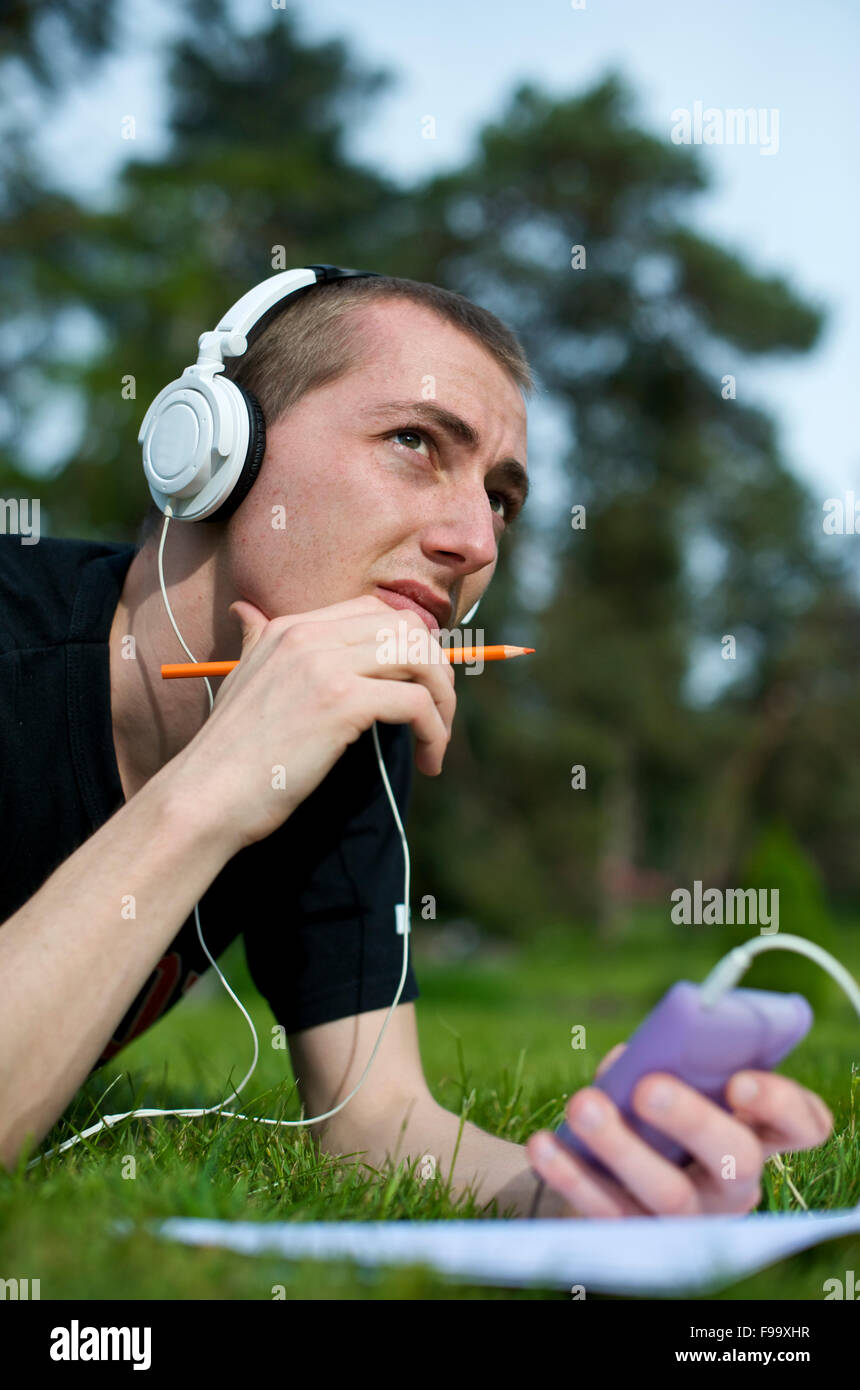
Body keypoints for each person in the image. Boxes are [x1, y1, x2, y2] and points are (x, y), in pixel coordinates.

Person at [0, 272, 832, 1218]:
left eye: (502, 498)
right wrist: (213, 789)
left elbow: (375, 1122)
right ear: (212, 448)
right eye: (414, 442)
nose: (477, 540)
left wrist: (572, 1194)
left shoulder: (348, 725)